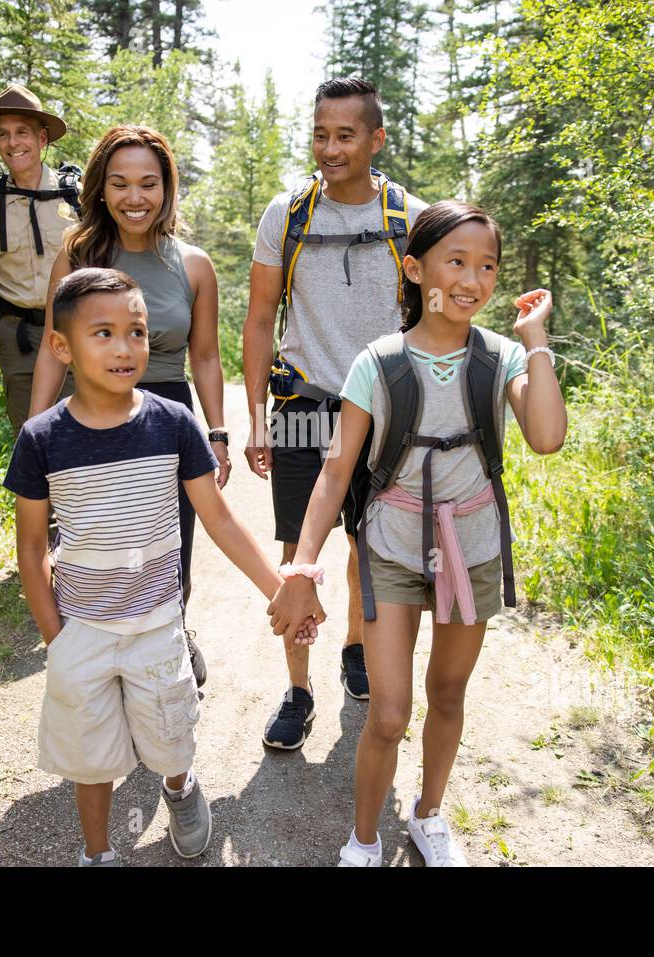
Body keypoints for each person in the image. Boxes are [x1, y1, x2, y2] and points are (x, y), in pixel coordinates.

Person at [267, 201, 568, 867]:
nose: (472, 278)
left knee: (450, 693)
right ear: (414, 267)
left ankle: (430, 816)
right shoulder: (378, 362)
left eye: (486, 265)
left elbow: (546, 436)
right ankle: (364, 837)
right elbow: (337, 469)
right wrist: (305, 561)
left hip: (473, 547)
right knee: (389, 711)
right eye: (455, 261)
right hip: (394, 547)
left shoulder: (504, 357)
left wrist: (537, 335)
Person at [4, 268, 316, 866]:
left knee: (171, 738)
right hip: (81, 630)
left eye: (137, 331)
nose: (125, 348)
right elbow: (32, 547)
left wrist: (282, 590)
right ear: (62, 346)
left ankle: (180, 786)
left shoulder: (173, 423)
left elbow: (220, 521)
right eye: (104, 333)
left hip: (156, 627)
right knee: (90, 757)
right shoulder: (42, 438)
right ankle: (97, 853)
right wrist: (57, 638)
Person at [243, 77, 427, 749]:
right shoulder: (286, 214)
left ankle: (354, 647)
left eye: (345, 135)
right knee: (298, 552)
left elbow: (437, 320)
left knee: (368, 546)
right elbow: (261, 316)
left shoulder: (410, 218)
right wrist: (259, 415)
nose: (329, 148)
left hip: (383, 410)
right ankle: (298, 689)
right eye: (321, 134)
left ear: (376, 139)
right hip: (302, 403)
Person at [29, 125, 227, 686]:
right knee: (91, 548)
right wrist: (35, 429)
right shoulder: (78, 255)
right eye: (119, 183)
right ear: (100, 188)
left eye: (147, 183)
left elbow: (207, 357)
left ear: (167, 189)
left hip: (167, 415)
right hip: (87, 416)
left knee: (172, 546)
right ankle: (91, 658)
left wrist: (217, 433)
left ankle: (169, 643)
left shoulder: (193, 265)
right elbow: (53, 349)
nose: (133, 197)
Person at [0, 83, 79, 432]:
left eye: (22, 132)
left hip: (75, 330)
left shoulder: (77, 199)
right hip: (18, 337)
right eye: (3, 135)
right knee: (30, 433)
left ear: (42, 140)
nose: (13, 143)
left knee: (83, 430)